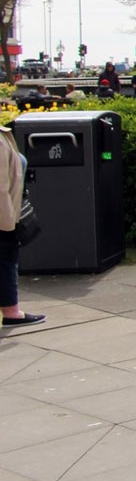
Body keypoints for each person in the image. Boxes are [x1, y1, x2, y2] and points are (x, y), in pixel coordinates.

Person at [1, 125, 44, 329]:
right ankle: (12, 312)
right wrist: (8, 221)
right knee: (6, 259)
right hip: (4, 215)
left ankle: (12, 311)